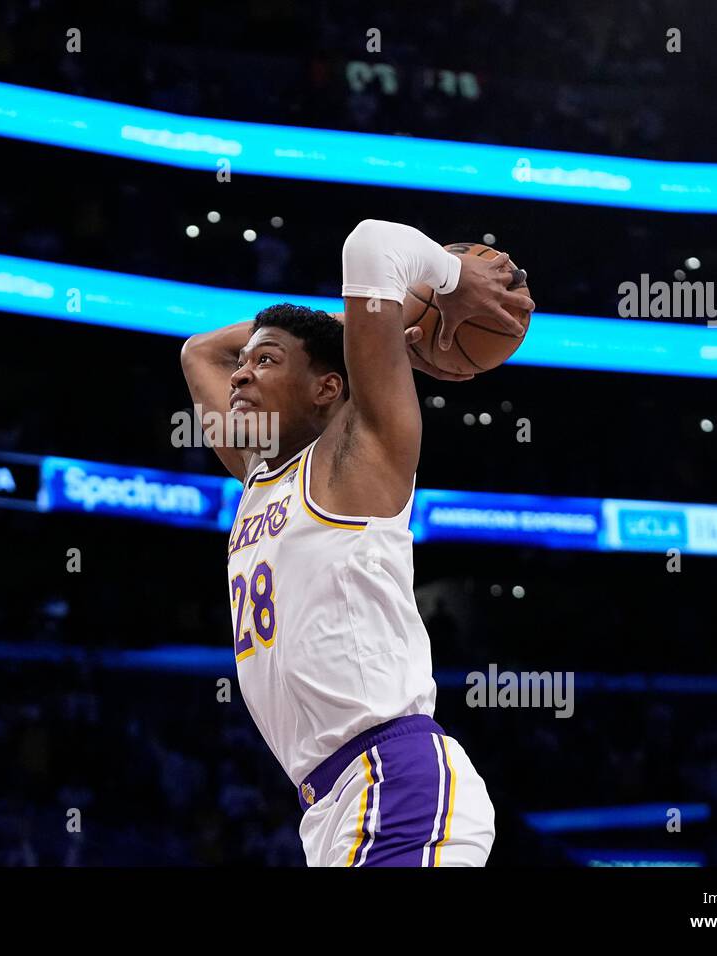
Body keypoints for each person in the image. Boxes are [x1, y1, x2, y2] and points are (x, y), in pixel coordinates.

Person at [180, 219, 533, 866]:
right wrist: (340, 326)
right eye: (249, 359)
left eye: (266, 361)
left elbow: (371, 241)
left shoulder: (359, 457)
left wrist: (447, 283)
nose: (239, 375)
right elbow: (199, 351)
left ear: (327, 387)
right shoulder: (260, 472)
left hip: (393, 779)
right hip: (333, 802)